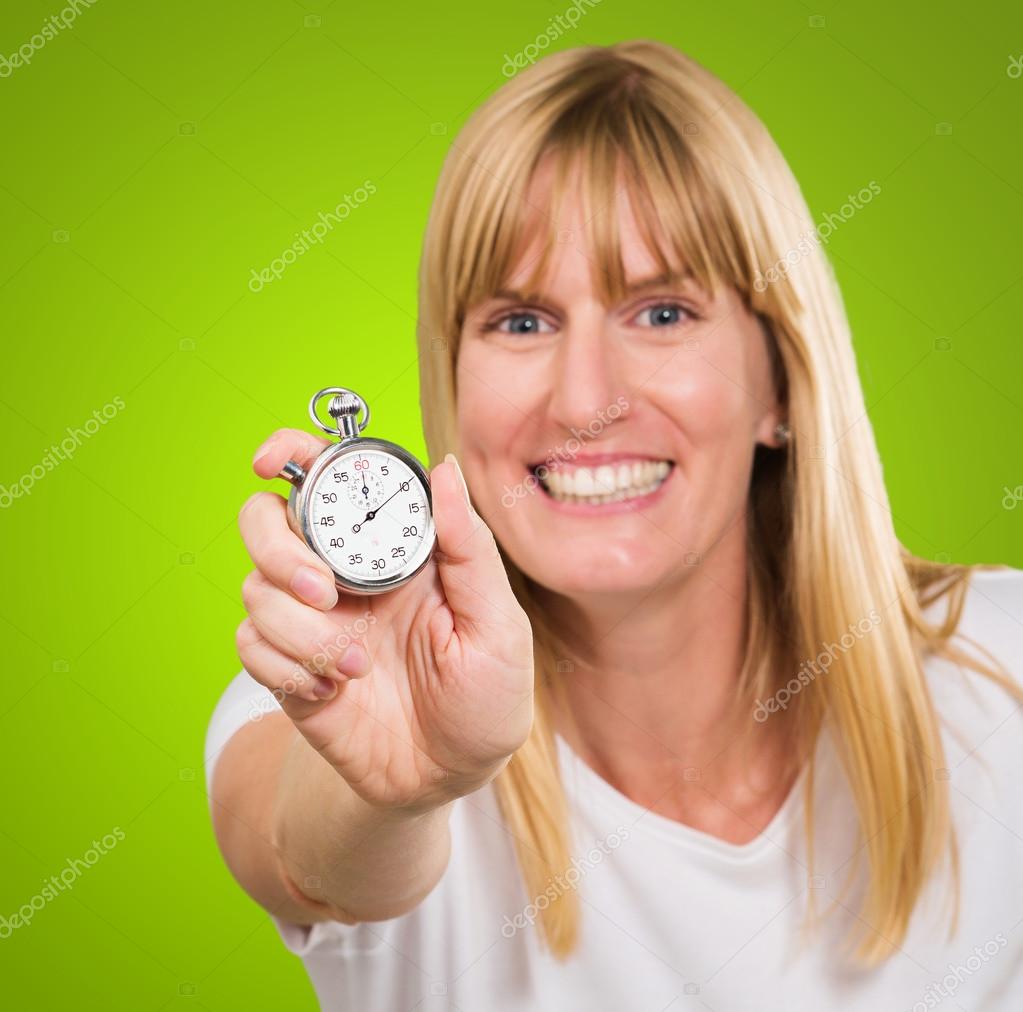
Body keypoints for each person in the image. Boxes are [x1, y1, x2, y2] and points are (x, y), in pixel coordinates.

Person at [205, 39, 1023, 1010]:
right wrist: (399, 790)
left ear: (782, 385)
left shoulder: (1002, 674)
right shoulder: (334, 692)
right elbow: (312, 854)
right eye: (521, 320)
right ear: (454, 386)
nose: (585, 396)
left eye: (663, 311)